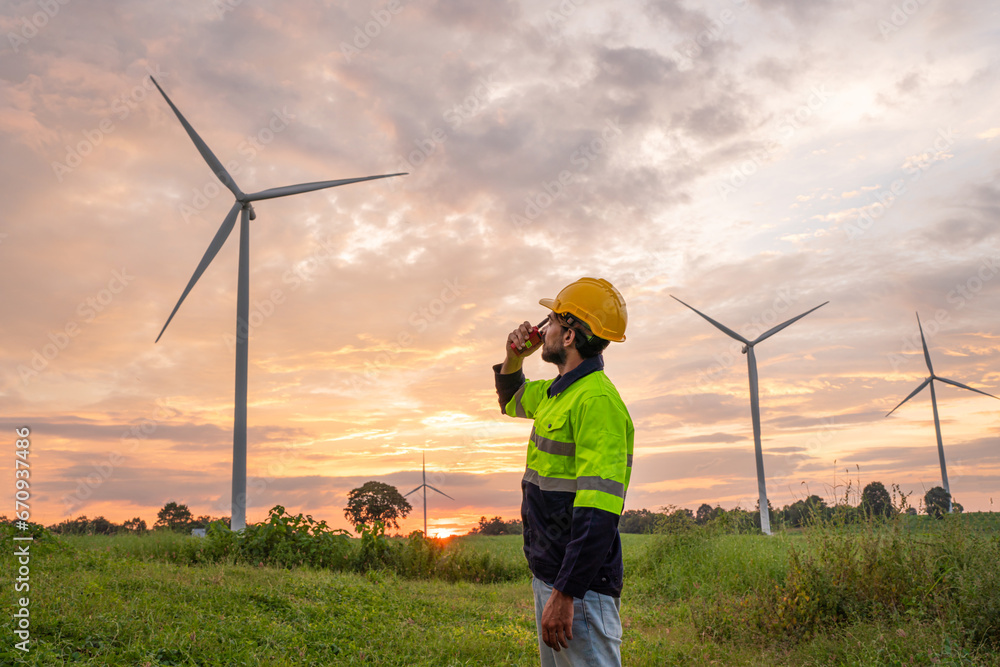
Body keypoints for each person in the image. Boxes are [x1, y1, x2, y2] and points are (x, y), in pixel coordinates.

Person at [493, 277, 634, 666]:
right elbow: (511, 400)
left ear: (569, 336)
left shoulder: (597, 402)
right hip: (553, 575)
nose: (542, 330)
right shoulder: (559, 393)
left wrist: (566, 594)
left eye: (551, 321)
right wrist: (514, 355)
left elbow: (599, 512)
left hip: (579, 591)